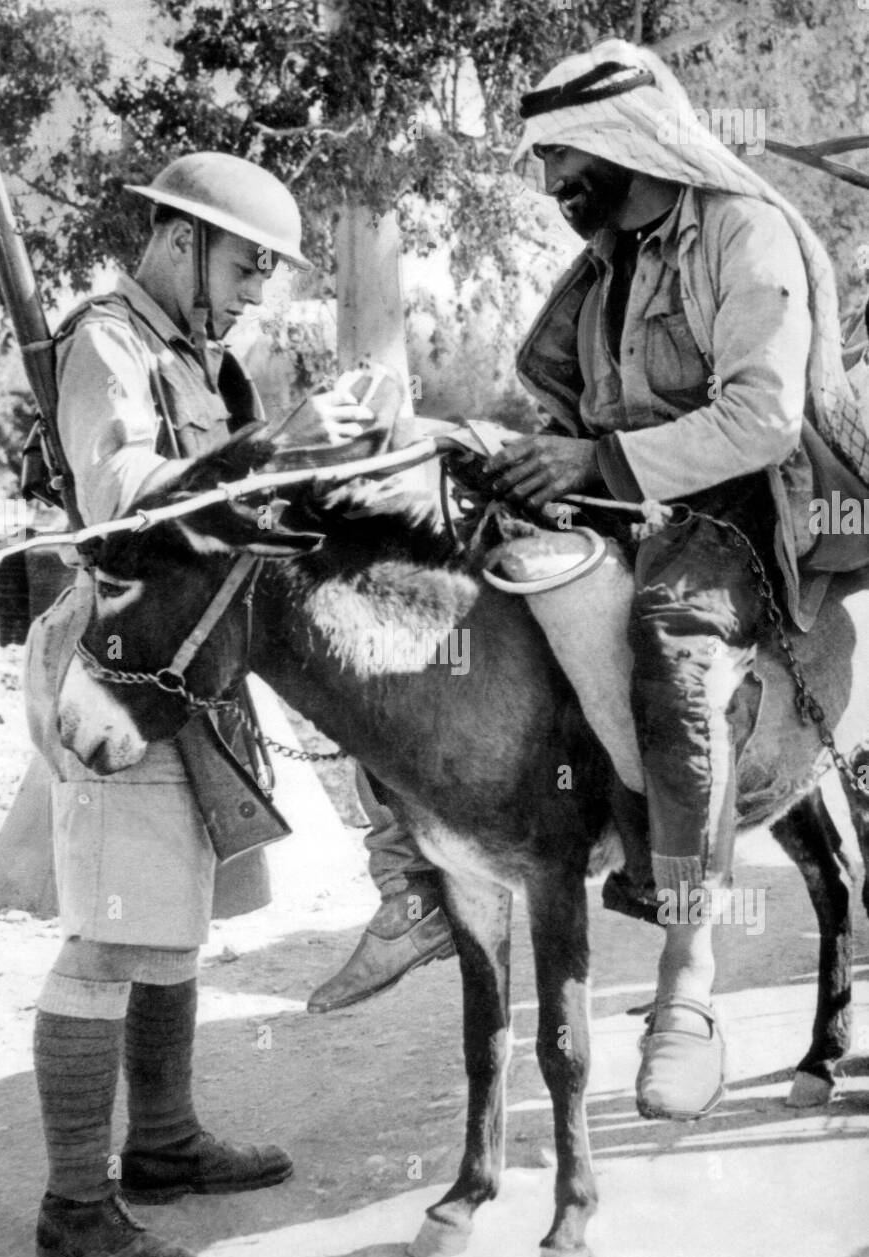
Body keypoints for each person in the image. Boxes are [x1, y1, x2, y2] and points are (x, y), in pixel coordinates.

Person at [312, 38, 869, 1125]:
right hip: (620, 500)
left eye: (564, 157)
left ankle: (688, 979)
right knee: (422, 577)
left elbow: (761, 417)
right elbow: (569, 422)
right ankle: (412, 883)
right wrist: (465, 442)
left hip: (734, 514)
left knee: (668, 639)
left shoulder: (743, 236)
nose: (553, 184)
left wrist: (597, 464)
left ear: (629, 140)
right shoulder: (610, 263)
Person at [26, 151, 374, 1257]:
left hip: (189, 655)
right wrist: (267, 447)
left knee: (172, 915)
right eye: (247, 263)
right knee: (114, 931)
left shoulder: (198, 354)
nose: (255, 289)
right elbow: (120, 490)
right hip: (119, 656)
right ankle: (76, 1205)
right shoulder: (107, 342)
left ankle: (163, 1141)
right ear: (181, 241)